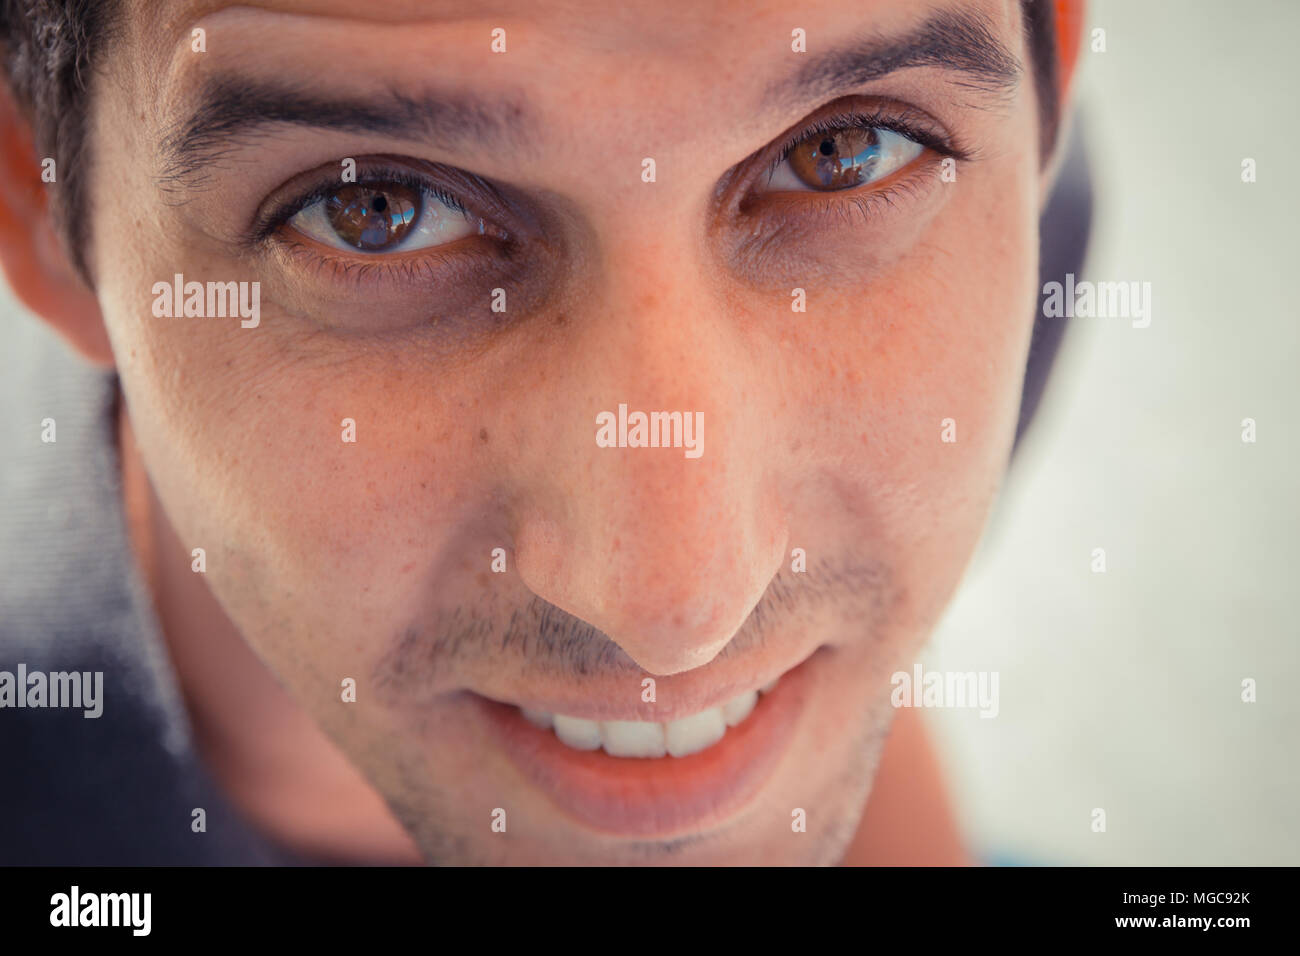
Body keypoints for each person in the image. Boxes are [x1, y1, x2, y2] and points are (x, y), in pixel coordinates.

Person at [0, 0, 1085, 865]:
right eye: (374, 208)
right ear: (39, 207)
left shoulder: (1031, 219)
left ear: (1054, 82)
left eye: (841, 153)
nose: (682, 614)